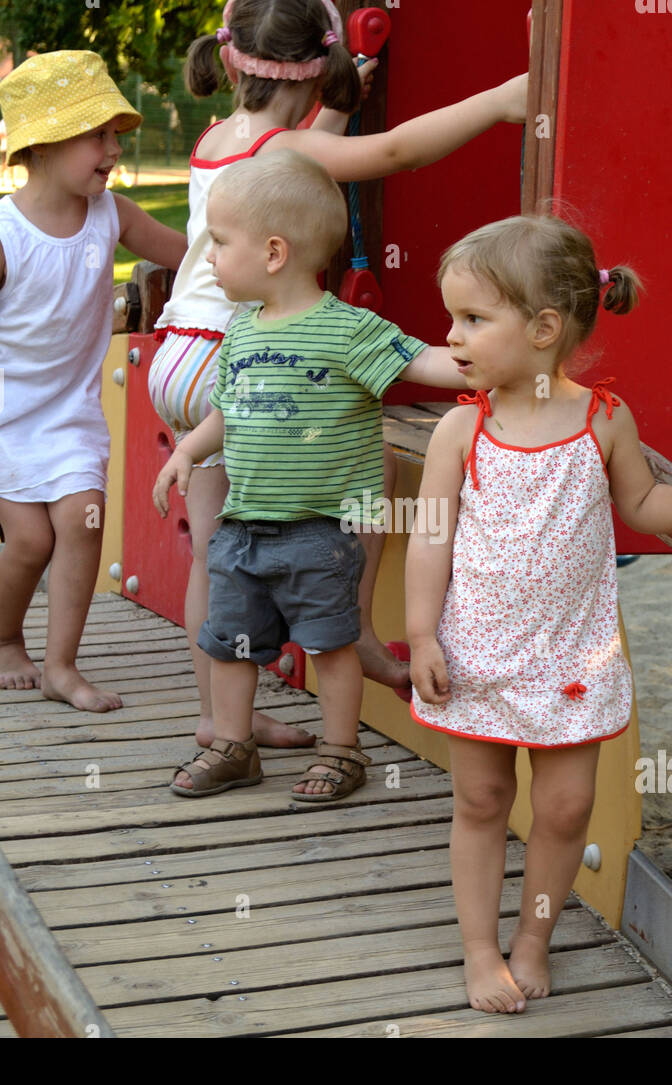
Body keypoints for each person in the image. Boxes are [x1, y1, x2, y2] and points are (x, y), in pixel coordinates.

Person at [147, 0, 527, 762]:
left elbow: (298, 161)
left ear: (229, 61)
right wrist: (499, 102)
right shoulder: (290, 149)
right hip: (246, 356)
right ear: (320, 68)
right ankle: (346, 629)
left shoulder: (220, 140)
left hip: (177, 357)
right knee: (371, 473)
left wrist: (337, 99)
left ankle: (221, 715)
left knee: (219, 551)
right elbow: (396, 155)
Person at [406, 215, 672, 1013]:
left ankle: (533, 938)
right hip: (477, 655)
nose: (452, 336)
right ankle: (477, 948)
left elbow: (642, 502)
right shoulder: (461, 429)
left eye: (472, 319)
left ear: (542, 328)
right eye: (452, 317)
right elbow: (429, 539)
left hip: (573, 658)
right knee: (480, 801)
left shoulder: (602, 418)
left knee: (566, 807)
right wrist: (424, 632)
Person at [152, 149, 470, 800]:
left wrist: (491, 357)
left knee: (333, 646)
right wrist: (187, 450)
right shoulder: (240, 332)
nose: (208, 257)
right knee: (231, 643)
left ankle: (340, 750)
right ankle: (234, 744)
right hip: (245, 526)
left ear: (273, 253)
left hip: (321, 531)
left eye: (218, 242)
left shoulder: (347, 330)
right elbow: (225, 411)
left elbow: (428, 363)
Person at [0, 50, 189, 712]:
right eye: (97, 135)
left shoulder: (111, 215)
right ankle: (3, 640)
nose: (113, 149)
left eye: (115, 136)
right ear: (42, 144)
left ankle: (61, 665)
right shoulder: (0, 233)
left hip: (68, 414)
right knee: (33, 539)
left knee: (82, 520)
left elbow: (186, 253)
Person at [0, 117, 11, 187]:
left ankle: (14, 181)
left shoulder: (14, 121)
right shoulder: (2, 122)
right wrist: (6, 135)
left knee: (14, 165)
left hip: (12, 147)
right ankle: (4, 180)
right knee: (4, 164)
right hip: (4, 147)